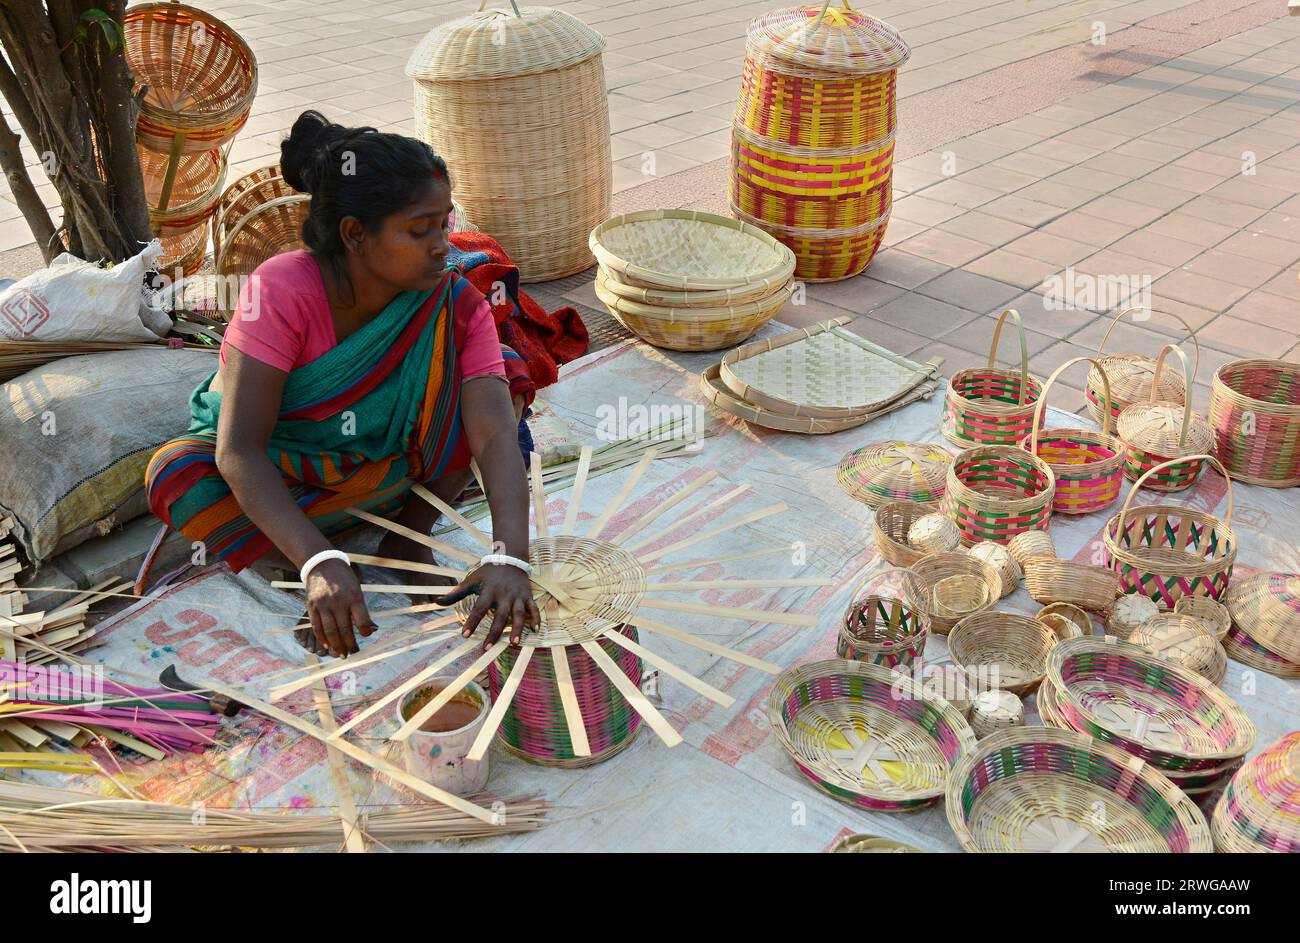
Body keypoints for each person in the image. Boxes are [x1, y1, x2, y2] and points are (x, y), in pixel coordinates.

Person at [146, 111, 540, 660]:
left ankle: (406, 537)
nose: (442, 246)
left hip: (384, 472)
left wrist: (509, 557)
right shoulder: (282, 289)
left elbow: (495, 437)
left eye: (445, 225)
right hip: (287, 477)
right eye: (419, 229)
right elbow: (238, 451)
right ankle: (309, 561)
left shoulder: (454, 305)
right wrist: (317, 561)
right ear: (356, 234)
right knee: (176, 474)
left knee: (499, 377)